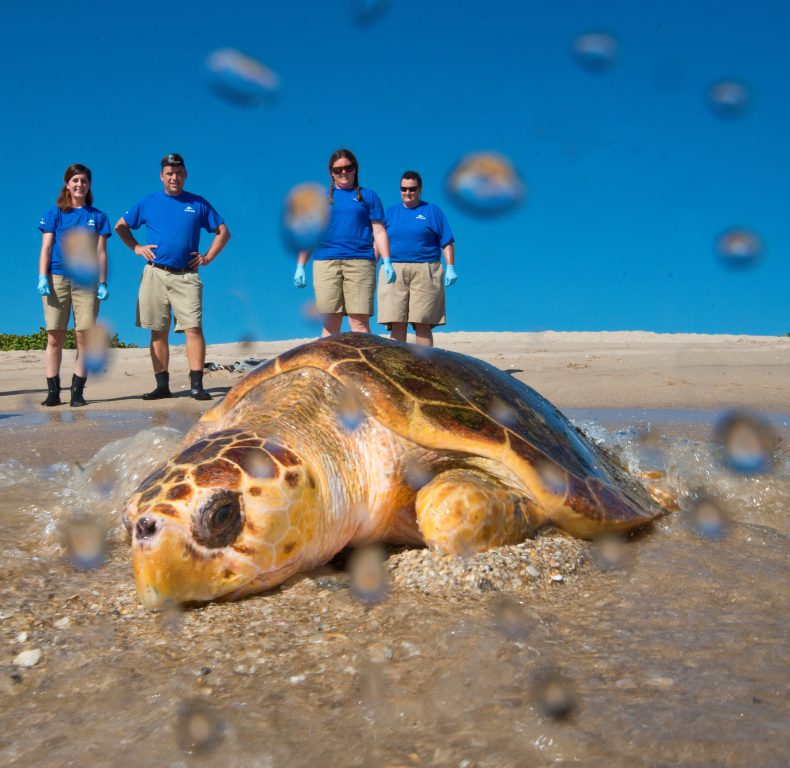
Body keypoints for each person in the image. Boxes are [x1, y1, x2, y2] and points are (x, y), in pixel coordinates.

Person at [115, 153, 230, 400]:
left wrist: (207, 257)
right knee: (157, 330)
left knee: (194, 328)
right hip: (155, 274)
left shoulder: (198, 204)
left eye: (178, 173)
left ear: (185, 175)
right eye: (169, 173)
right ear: (162, 176)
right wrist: (137, 247)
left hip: (186, 276)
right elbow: (120, 226)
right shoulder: (147, 202)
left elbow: (223, 232)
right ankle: (162, 385)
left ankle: (197, 385)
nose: (174, 177)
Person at [293, 148, 393, 335]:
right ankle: (330, 365)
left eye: (347, 168)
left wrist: (387, 261)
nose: (343, 173)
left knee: (359, 322)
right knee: (330, 323)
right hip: (326, 262)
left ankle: (362, 365)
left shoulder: (369, 196)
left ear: (355, 169)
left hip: (360, 261)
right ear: (331, 173)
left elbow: (378, 231)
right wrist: (300, 265)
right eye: (338, 170)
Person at [37, 163, 111, 407]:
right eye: (75, 180)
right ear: (67, 184)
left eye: (84, 181)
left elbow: (101, 253)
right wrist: (42, 277)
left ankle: (77, 392)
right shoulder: (54, 213)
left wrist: (102, 282)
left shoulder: (98, 217)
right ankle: (53, 392)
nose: (80, 184)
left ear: (89, 185)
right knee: (55, 337)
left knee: (84, 336)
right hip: (56, 278)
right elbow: (46, 248)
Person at [377, 171, 456, 347]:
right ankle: (398, 367)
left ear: (419, 189)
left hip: (426, 269)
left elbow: (447, 241)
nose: (407, 193)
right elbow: (378, 242)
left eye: (412, 189)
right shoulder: (390, 212)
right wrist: (370, 267)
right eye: (403, 189)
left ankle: (426, 366)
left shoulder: (432, 211)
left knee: (422, 322)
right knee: (396, 321)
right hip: (394, 270)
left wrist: (450, 267)